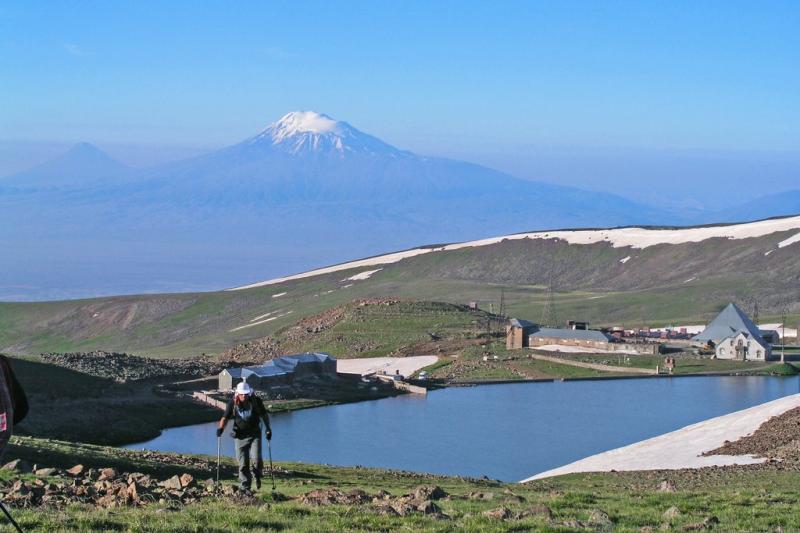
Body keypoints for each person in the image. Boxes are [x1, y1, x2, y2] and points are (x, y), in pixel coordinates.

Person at [217, 381, 272, 493]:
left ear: (249, 393)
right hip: (240, 436)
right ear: (237, 393)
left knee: (256, 459)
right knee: (242, 463)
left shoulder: (256, 401)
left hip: (254, 434)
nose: (244, 396)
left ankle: (257, 476)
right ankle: (245, 486)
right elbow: (225, 418)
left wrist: (268, 428)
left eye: (246, 394)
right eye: (242, 394)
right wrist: (221, 429)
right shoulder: (232, 403)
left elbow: (264, 415)